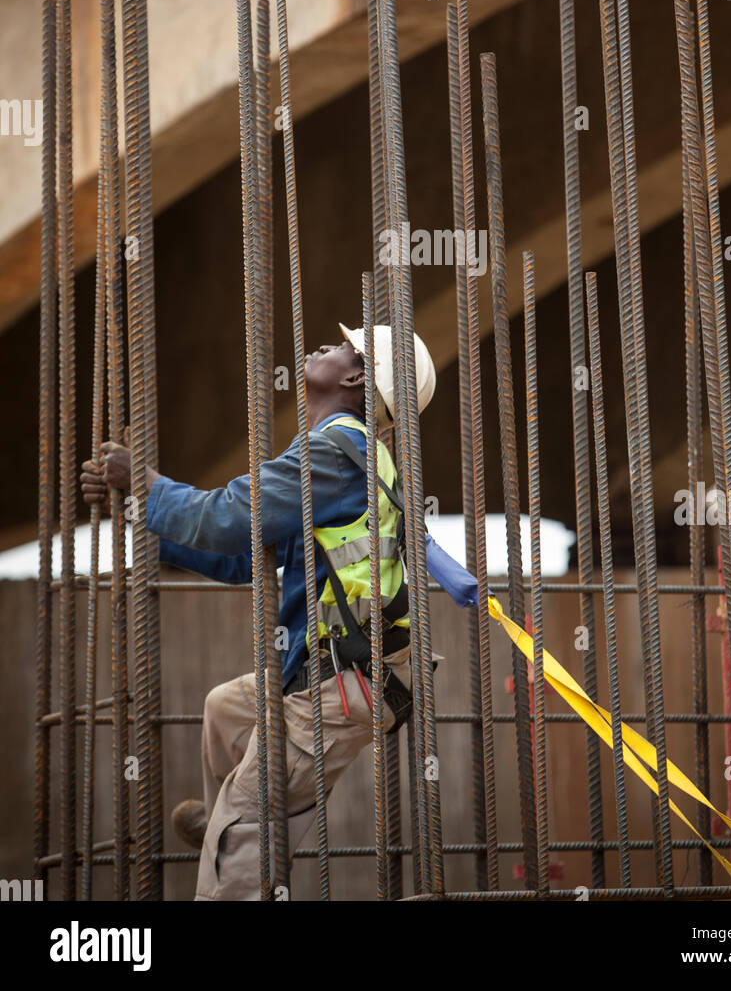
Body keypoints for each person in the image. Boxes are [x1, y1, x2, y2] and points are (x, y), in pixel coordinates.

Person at [80, 322, 455, 901]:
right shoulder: (343, 454)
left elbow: (229, 517)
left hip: (343, 683)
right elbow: (245, 557)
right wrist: (139, 511)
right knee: (227, 708)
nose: (323, 346)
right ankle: (235, 814)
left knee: (241, 841)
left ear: (356, 377)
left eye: (341, 347)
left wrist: (149, 488)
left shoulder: (334, 454)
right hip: (341, 671)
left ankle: (243, 829)